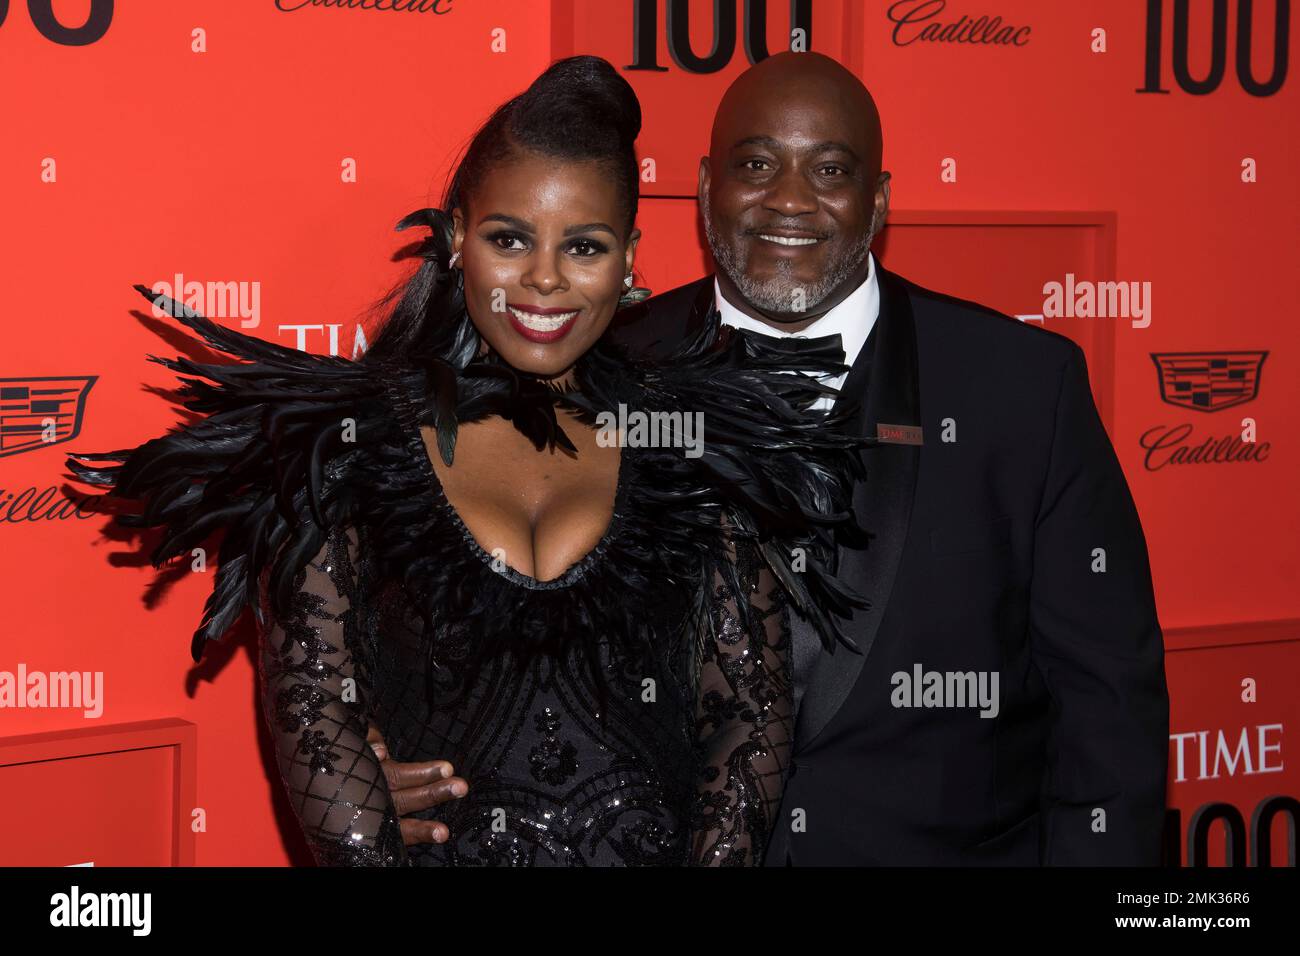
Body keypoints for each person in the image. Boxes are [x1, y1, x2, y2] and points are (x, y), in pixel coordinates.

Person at [67, 55, 871, 867]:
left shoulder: (697, 445)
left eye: (584, 247)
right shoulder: (341, 448)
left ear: (629, 255)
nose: (545, 280)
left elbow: (747, 721)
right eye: (510, 238)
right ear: (457, 237)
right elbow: (317, 714)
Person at [377, 51, 1171, 866]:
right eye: (755, 164)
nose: (789, 199)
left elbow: (1109, 712)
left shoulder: (1020, 389)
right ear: (704, 185)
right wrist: (370, 734)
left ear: (880, 199)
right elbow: (467, 608)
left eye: (830, 169)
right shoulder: (593, 370)